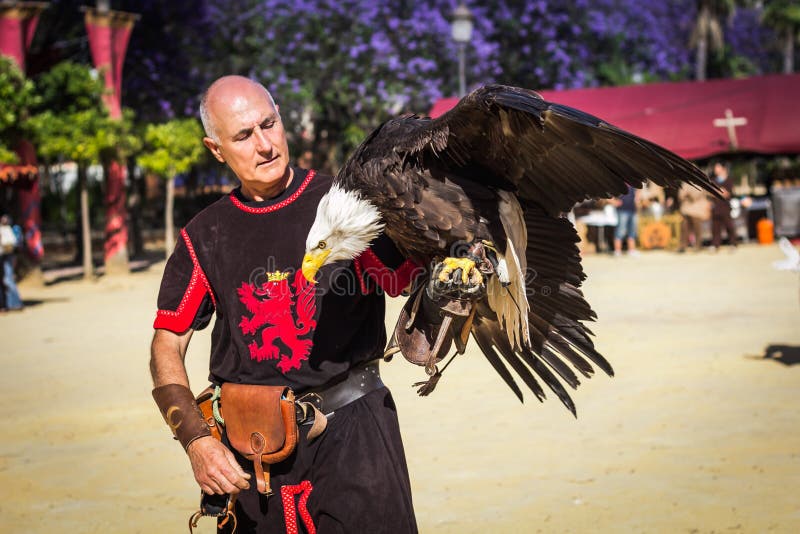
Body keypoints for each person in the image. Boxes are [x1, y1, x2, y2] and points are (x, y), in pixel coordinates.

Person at [149, 76, 421, 533]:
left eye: (269, 124)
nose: (264, 144)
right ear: (216, 149)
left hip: (355, 437)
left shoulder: (348, 205)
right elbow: (166, 344)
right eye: (243, 135)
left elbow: (410, 278)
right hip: (252, 453)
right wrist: (195, 440)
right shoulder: (205, 234)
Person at [710, 161, 737, 251]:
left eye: (718, 167)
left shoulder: (729, 180)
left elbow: (727, 193)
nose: (715, 169)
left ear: (723, 169)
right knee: (715, 227)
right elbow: (711, 192)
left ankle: (733, 243)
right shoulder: (713, 180)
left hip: (725, 207)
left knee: (729, 226)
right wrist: (719, 192)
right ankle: (715, 244)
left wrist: (719, 192)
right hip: (716, 207)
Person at [677, 182, 711, 252]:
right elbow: (680, 194)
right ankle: (682, 246)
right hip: (686, 210)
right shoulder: (685, 183)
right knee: (684, 228)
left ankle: (698, 245)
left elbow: (697, 195)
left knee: (697, 228)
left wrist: (689, 195)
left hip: (696, 210)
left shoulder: (699, 182)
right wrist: (684, 195)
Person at [0, 214, 23, 312]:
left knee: (8, 279)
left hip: (6, 256)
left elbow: (11, 243)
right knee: (7, 279)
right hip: (6, 256)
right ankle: (8, 304)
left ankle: (15, 303)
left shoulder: (7, 229)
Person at [611, 185, 640, 256]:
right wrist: (613, 202)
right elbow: (608, 194)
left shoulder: (633, 184)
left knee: (632, 231)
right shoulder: (618, 183)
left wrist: (638, 201)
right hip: (622, 210)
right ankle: (617, 251)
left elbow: (637, 194)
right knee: (620, 230)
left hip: (633, 210)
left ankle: (631, 250)